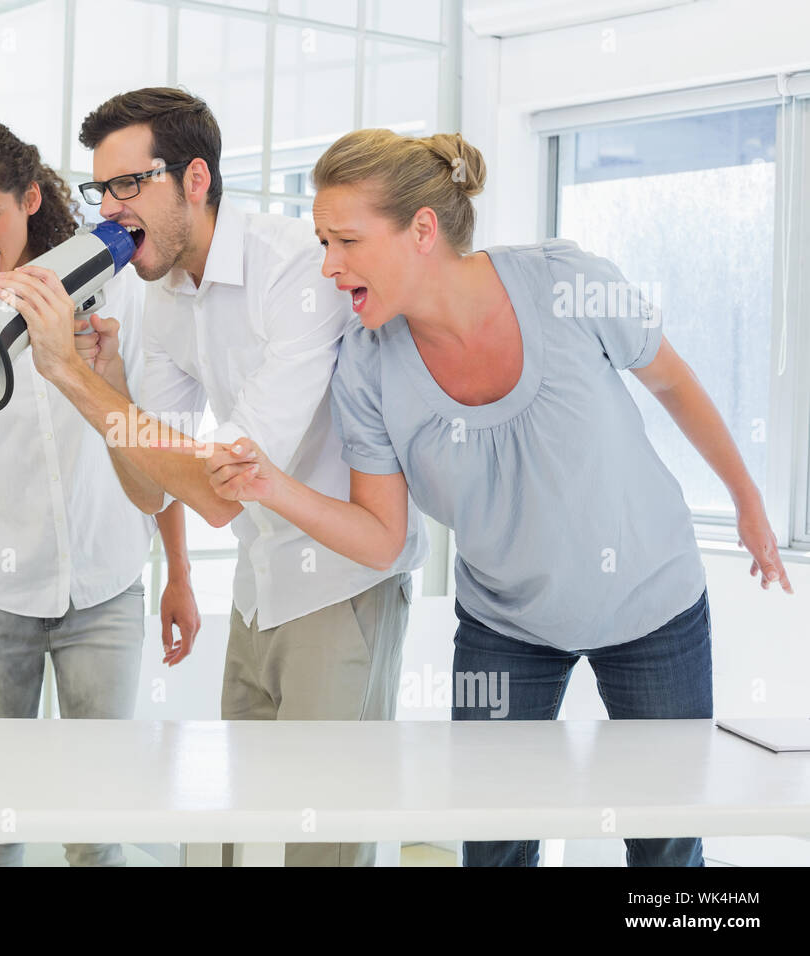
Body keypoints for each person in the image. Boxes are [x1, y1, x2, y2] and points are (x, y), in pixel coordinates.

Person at [187, 127, 793, 867]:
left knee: (665, 844)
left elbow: (671, 380)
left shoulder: (562, 281)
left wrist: (748, 500)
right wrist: (268, 486)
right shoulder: (369, 368)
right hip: (506, 625)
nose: (327, 266)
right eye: (321, 242)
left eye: (345, 241)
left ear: (421, 230)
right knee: (496, 846)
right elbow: (382, 538)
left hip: (651, 605)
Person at [0, 89, 428, 867]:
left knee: (320, 845)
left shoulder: (298, 272)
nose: (110, 209)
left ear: (196, 179)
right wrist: (112, 387)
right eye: (102, 189)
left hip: (342, 585)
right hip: (261, 587)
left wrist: (70, 378)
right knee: (232, 834)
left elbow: (223, 488)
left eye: (132, 184)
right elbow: (150, 490)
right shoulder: (160, 300)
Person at [0, 117, 199, 867]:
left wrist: (179, 577)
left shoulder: (119, 295)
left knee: (94, 832)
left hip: (106, 591)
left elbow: (151, 443)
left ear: (31, 199)